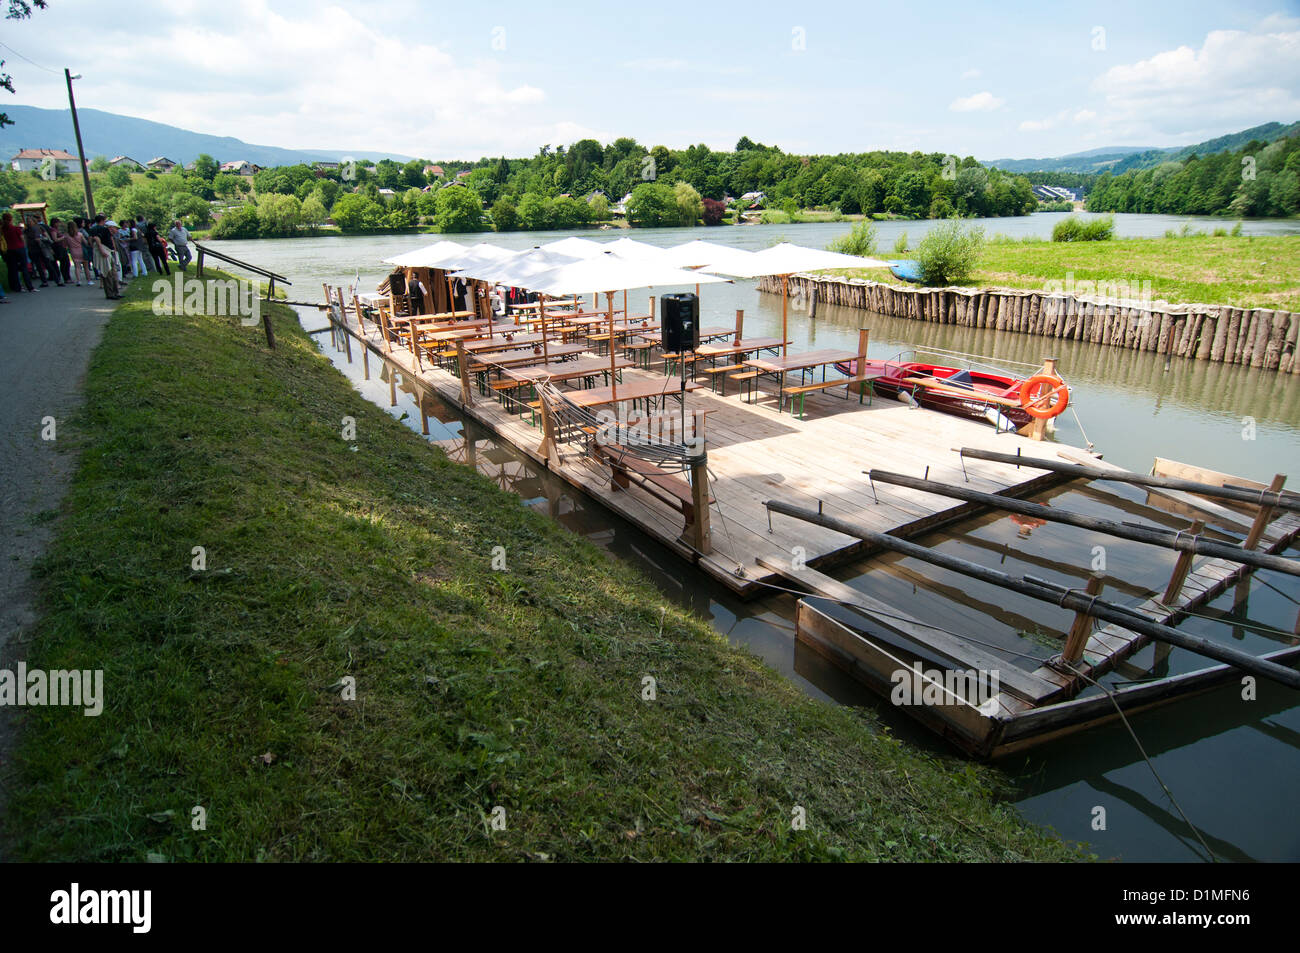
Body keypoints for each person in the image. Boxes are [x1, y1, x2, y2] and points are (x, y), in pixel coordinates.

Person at [87, 214, 121, 299]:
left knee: (111, 273)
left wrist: (93, 248)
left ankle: (114, 292)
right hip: (105, 251)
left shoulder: (92, 229)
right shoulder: (103, 229)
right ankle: (111, 293)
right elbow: (97, 239)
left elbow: (90, 239)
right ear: (102, 221)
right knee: (108, 273)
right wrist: (101, 250)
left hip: (103, 251)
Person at [1, 211, 35, 292]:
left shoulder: (2, 230)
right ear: (11, 219)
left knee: (13, 269)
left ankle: (16, 287)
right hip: (19, 248)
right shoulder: (16, 229)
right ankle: (29, 286)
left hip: (9, 250)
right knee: (24, 268)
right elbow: (22, 239)